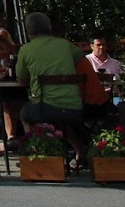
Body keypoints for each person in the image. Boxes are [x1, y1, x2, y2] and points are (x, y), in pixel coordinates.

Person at [15, 12, 87, 160]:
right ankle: (80, 150)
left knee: (25, 113)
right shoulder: (65, 44)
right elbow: (80, 58)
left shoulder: (26, 49)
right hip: (74, 106)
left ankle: (36, 150)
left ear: (28, 30)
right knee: (61, 120)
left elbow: (21, 79)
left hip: (45, 106)